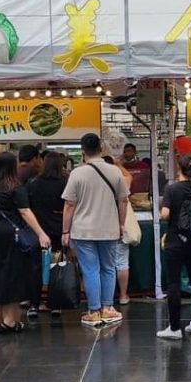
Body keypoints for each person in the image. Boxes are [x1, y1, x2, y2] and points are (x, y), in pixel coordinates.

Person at [62, 133, 129, 329]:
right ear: (101, 150)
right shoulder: (115, 171)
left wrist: (65, 231)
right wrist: (121, 223)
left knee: (90, 269)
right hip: (109, 228)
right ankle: (108, 308)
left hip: (83, 230)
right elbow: (123, 200)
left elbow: (69, 205)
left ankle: (94, 311)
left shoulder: (77, 174)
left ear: (83, 152)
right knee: (108, 267)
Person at [0, 152, 52, 333]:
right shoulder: (15, 187)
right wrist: (41, 233)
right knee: (12, 276)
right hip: (10, 236)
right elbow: (25, 212)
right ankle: (10, 320)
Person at [158, 154, 191, 340]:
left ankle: (174, 327)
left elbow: (165, 215)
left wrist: (165, 209)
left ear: (179, 169)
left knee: (174, 283)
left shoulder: (171, 189)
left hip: (175, 242)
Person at [28, 152, 70, 316]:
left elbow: (27, 207)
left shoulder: (33, 183)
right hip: (59, 229)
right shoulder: (65, 183)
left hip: (37, 231)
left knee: (35, 269)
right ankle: (55, 304)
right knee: (57, 267)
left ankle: (34, 304)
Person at [101, 154, 134, 307]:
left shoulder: (93, 181)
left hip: (99, 228)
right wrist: (118, 164)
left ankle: (104, 299)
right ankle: (122, 295)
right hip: (117, 226)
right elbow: (129, 177)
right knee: (121, 262)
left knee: (101, 263)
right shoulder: (119, 180)